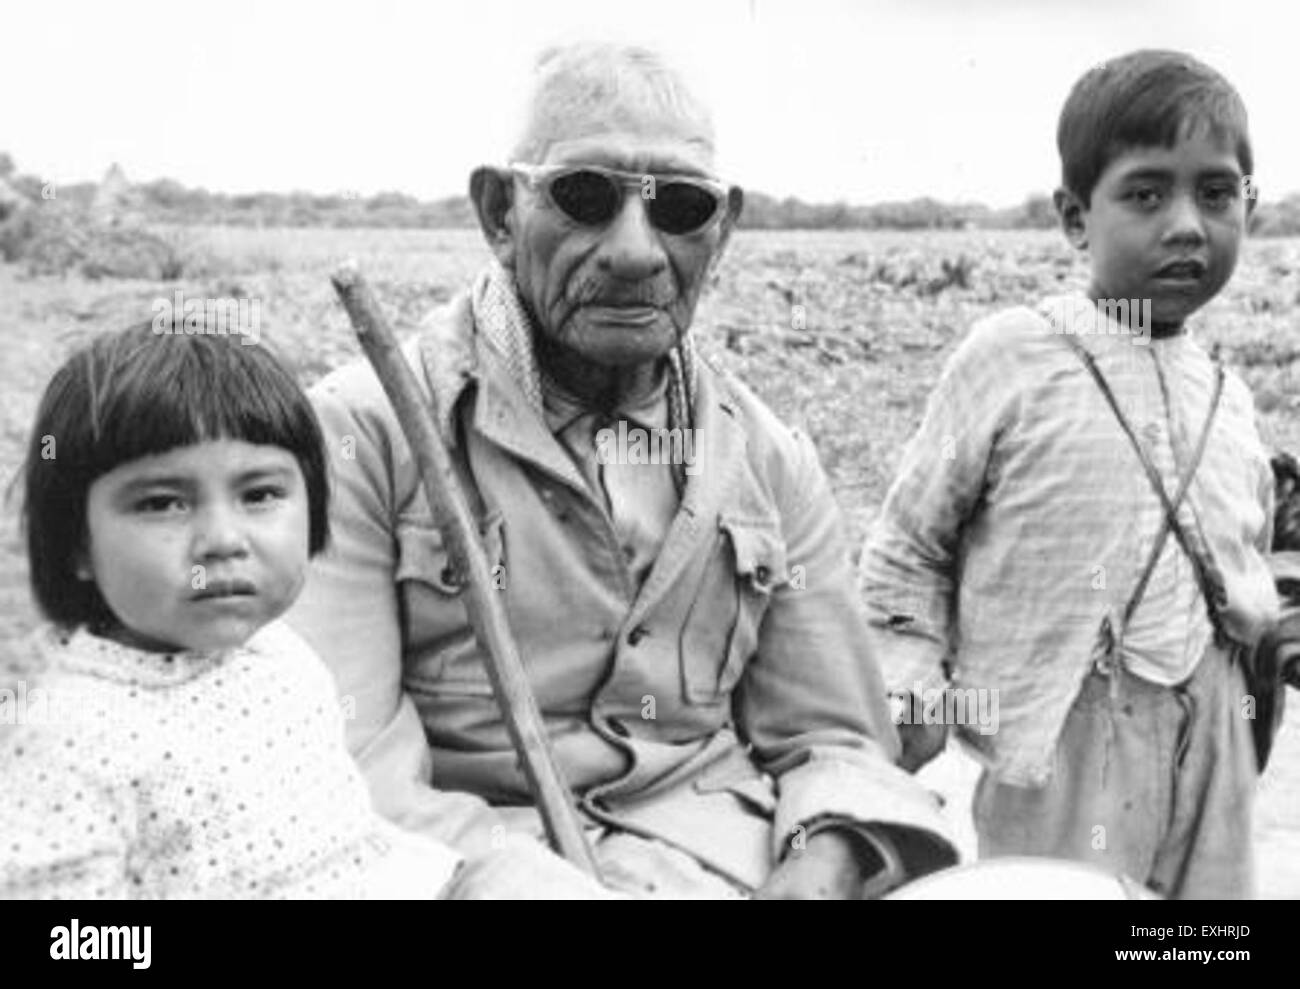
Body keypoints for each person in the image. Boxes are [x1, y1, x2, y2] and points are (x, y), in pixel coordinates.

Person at [288, 41, 957, 899]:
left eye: (680, 206)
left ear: (723, 230)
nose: (637, 251)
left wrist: (823, 862)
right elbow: (345, 779)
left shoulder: (767, 460)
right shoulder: (362, 436)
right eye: (585, 196)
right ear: (500, 211)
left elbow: (834, 739)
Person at [858, 49, 1278, 899]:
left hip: (1214, 736)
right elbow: (907, 549)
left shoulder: (1230, 396)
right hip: (1058, 732)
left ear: (1249, 207)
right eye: (1147, 194)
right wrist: (912, 680)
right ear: (1076, 217)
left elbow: (1254, 557)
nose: (1188, 224)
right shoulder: (1011, 355)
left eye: (1217, 193)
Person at [1, 319, 482, 899]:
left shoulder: (278, 650)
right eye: (162, 503)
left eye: (259, 495)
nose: (223, 540)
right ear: (77, 543)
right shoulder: (69, 738)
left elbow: (347, 844)